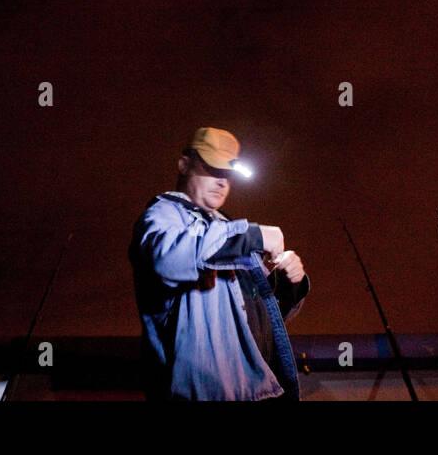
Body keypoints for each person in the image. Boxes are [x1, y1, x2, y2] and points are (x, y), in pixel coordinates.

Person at [128, 127, 310, 400]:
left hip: (254, 393)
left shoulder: (227, 229)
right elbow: (168, 258)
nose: (221, 181)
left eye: (227, 173)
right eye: (211, 168)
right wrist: (252, 235)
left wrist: (288, 283)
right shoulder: (163, 215)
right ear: (183, 165)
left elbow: (259, 320)